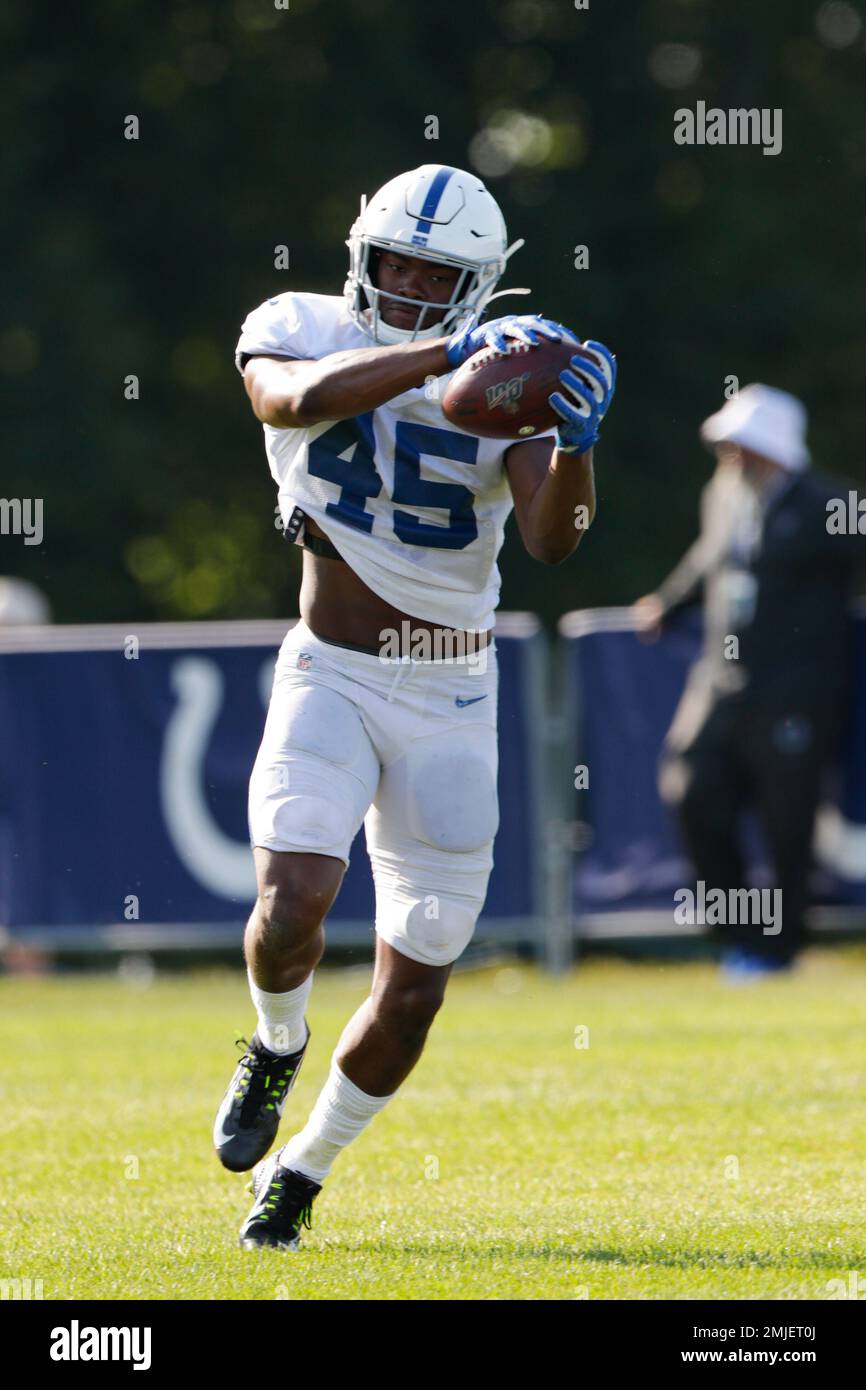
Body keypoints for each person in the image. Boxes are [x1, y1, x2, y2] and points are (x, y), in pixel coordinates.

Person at [213, 164, 617, 1249]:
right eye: (397, 263)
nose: (411, 286)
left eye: (438, 278)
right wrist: (446, 355)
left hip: (450, 690)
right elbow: (290, 400)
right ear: (362, 254)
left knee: (417, 982)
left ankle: (303, 1171)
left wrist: (576, 447)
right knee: (291, 902)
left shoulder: (507, 382)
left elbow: (553, 542)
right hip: (332, 669)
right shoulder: (299, 324)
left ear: (478, 283)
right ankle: (275, 1042)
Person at [634, 385, 865, 977]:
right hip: (719, 678)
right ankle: (736, 932)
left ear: (775, 449)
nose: (731, 457)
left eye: (743, 446)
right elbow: (709, 558)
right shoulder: (723, 495)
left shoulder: (827, 504)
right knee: (690, 788)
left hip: (796, 690)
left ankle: (779, 949)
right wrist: (667, 602)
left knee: (787, 819)